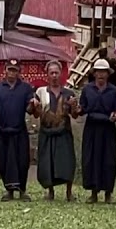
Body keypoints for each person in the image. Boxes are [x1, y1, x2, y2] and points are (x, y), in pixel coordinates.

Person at [0, 60, 35, 202]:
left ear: (19, 72)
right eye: (10, 70)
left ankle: (22, 191)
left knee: (22, 161)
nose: (12, 73)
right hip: (2, 132)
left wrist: (33, 105)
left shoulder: (26, 88)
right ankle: (9, 191)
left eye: (15, 70)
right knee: (4, 161)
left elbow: (29, 109)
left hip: (19, 131)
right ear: (5, 70)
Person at [34, 60, 77, 202]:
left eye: (56, 73)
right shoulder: (41, 92)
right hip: (47, 132)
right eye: (51, 73)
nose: (54, 76)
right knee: (47, 162)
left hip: (63, 132)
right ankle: (50, 191)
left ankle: (69, 192)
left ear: (61, 74)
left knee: (67, 161)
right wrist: (35, 106)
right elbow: (34, 113)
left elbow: (75, 114)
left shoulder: (68, 93)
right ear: (47, 75)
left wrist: (73, 106)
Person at [80, 58, 116, 204]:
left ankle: (108, 193)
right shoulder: (87, 89)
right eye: (98, 72)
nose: (101, 75)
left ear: (108, 74)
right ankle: (94, 192)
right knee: (92, 158)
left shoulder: (114, 91)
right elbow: (82, 109)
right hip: (91, 128)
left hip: (107, 129)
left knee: (108, 159)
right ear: (94, 73)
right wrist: (76, 108)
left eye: (104, 72)